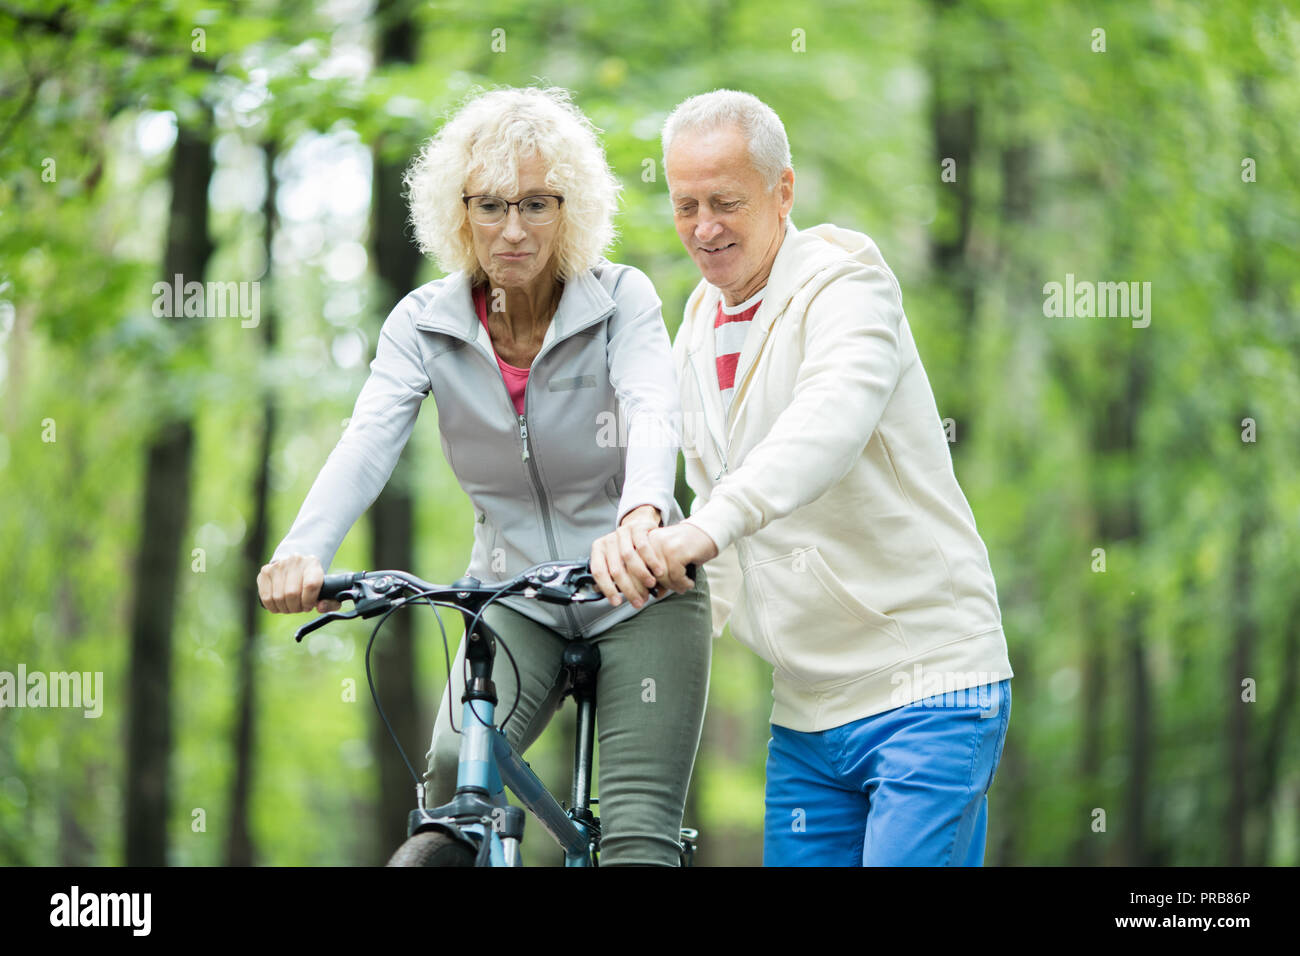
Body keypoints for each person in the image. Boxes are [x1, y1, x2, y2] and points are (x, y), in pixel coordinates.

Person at [257, 86, 711, 866]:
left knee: (638, 838)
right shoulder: (424, 324)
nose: (512, 229)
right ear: (456, 210)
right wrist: (304, 548)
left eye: (537, 203)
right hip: (514, 595)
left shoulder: (620, 298)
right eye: (490, 204)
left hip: (641, 588)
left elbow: (651, 408)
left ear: (572, 208)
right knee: (451, 772)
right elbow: (368, 439)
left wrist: (642, 514)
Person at [640, 89, 1014, 866]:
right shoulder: (696, 325)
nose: (703, 229)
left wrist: (710, 525)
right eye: (686, 206)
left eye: (726, 202)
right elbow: (680, 477)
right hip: (807, 715)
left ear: (783, 192)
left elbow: (827, 423)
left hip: (930, 687)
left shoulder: (848, 288)